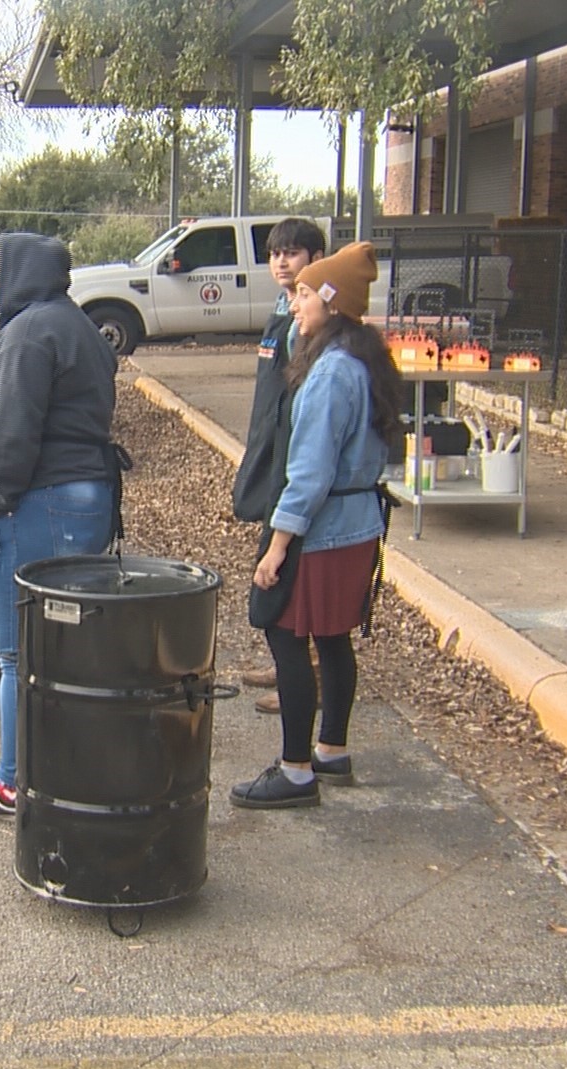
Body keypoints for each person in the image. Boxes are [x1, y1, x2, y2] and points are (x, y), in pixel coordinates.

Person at [230, 242, 406, 809]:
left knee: (285, 637)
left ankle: (296, 770)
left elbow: (308, 473)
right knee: (333, 640)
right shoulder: (366, 360)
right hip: (358, 528)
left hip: (322, 531)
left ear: (332, 303)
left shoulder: (330, 373)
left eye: (306, 293)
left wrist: (277, 548)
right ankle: (332, 751)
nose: (297, 301)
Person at [0, 233, 121, 819]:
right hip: (88, 498)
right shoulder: (78, 327)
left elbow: (13, 435)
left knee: (17, 654)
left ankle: (12, 783)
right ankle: (69, 772)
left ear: (17, 275)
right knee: (65, 647)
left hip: (40, 502)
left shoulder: (26, 335)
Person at [230, 218, 327, 715]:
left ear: (315, 258)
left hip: (293, 462)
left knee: (289, 566)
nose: (282, 263)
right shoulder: (280, 312)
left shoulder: (312, 322)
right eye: (275, 255)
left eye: (292, 253)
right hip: (269, 450)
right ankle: (283, 657)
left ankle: (301, 670)